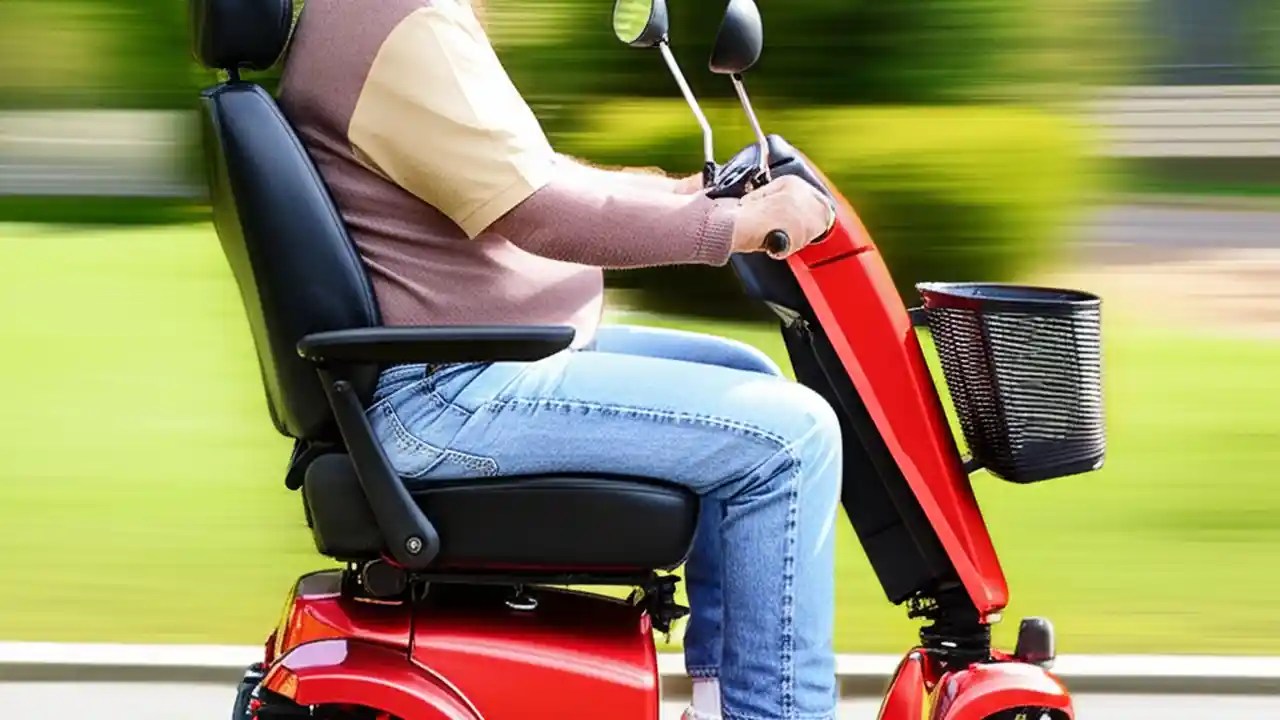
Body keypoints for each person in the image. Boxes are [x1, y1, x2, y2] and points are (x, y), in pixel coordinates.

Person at [278, 1, 842, 718]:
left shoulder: (381, 16)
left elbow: (524, 171)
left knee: (747, 379)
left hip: (462, 365)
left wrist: (678, 192)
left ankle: (723, 698)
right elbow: (539, 211)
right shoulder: (401, 25)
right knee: (793, 437)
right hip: (449, 396)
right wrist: (728, 224)